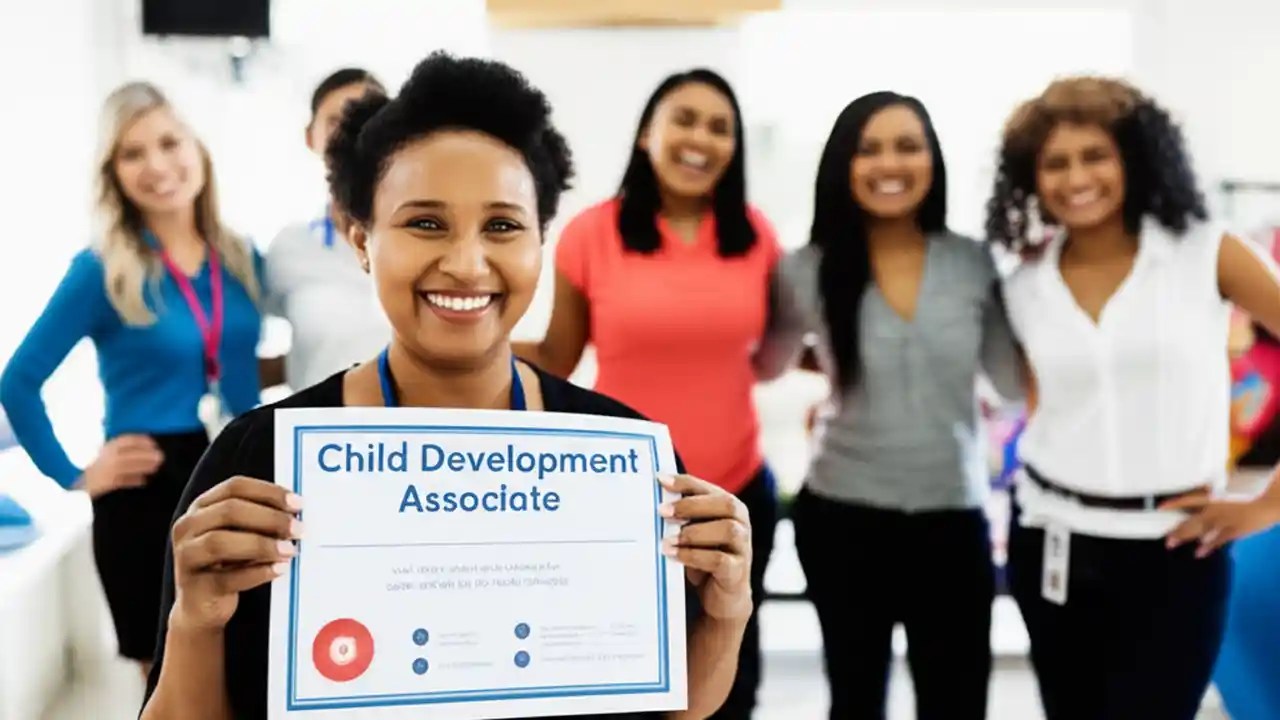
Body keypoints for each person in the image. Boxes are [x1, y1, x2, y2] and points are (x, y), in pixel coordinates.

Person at [139, 52, 753, 720]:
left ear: (540, 242)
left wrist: (725, 613)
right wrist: (194, 624)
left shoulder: (627, 461)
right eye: (425, 222)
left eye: (503, 226)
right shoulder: (256, 461)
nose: (465, 263)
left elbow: (673, 713)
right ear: (361, 239)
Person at [986, 76, 1280, 720]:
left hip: (1177, 549)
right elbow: (1036, 400)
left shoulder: (1208, 251)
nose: (1076, 177)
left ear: (1133, 159)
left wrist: (1267, 504)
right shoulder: (1024, 282)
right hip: (1053, 544)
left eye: (1096, 156)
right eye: (1055, 162)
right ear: (1030, 178)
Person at [514, 69, 781, 718]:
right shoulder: (590, 234)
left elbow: (773, 352)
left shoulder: (756, 235)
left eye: (720, 127)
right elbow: (557, 357)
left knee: (734, 674)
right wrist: (457, 342)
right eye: (684, 119)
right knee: (634, 681)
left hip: (738, 492)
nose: (702, 138)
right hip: (629, 501)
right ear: (645, 135)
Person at [758, 91, 1022, 720]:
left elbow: (1010, 382)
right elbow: (766, 361)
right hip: (842, 516)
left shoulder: (974, 262)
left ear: (933, 160)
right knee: (855, 700)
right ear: (843, 164)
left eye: (908, 146)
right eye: (868, 148)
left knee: (956, 702)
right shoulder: (805, 269)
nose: (889, 163)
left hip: (951, 516)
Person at [0, 81, 264, 678]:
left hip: (226, 468)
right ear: (113, 173)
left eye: (169, 142)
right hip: (144, 488)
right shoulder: (102, 268)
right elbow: (17, 382)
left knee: (243, 667)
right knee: (169, 683)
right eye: (132, 153)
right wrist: (73, 475)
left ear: (197, 147)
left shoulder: (239, 257)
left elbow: (244, 377)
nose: (157, 166)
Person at [260, 68, 390, 391]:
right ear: (310, 137)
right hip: (317, 435)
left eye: (367, 120)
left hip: (410, 435)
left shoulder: (423, 239)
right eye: (335, 122)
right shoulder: (288, 249)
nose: (351, 134)